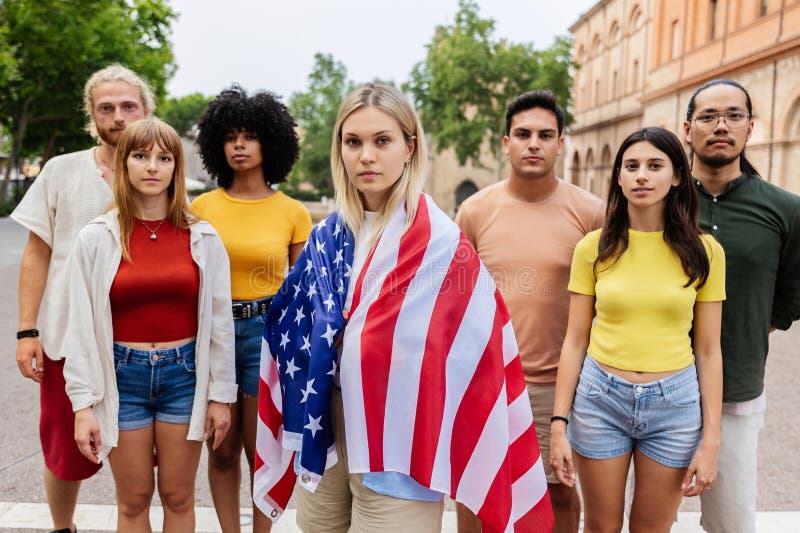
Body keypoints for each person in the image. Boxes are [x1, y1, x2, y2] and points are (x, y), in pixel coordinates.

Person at [253, 83, 553, 533]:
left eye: (382, 141)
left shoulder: (441, 243)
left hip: (400, 436)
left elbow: (483, 339)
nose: (366, 156)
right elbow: (288, 326)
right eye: (353, 142)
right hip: (324, 427)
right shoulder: (325, 236)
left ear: (410, 147)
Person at [63, 118, 237, 531]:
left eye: (164, 157)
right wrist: (82, 406)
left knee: (178, 498)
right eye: (140, 156)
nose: (152, 166)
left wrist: (220, 397)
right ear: (123, 164)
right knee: (133, 499)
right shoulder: (96, 238)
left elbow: (220, 324)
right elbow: (81, 328)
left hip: (184, 377)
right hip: (123, 377)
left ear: (177, 166)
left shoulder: (204, 238)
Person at [550, 127, 725, 531]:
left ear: (677, 176)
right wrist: (559, 425)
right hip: (600, 400)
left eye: (654, 165)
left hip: (675, 406)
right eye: (631, 166)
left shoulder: (706, 252)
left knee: (651, 528)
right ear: (619, 177)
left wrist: (710, 440)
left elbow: (710, 350)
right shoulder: (593, 248)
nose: (641, 176)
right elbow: (575, 340)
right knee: (601, 527)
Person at [11, 64, 152, 533]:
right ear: (92, 117)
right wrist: (27, 330)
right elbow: (37, 253)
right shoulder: (62, 170)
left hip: (141, 341)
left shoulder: (160, 173)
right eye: (105, 108)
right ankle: (62, 527)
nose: (117, 116)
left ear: (146, 110)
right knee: (63, 447)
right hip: (67, 334)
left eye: (128, 106)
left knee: (134, 453)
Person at [455, 89, 604, 533]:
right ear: (506, 143)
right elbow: (455, 301)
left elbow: (604, 301)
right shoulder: (476, 211)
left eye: (545, 134)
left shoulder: (591, 212)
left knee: (558, 487)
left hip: (557, 383)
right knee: (477, 487)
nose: (533, 143)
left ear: (562, 143)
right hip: (487, 380)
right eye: (522, 134)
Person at [192, 85, 312, 532]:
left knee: (263, 449)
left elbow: (303, 290)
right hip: (216, 333)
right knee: (221, 448)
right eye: (230, 136)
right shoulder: (199, 208)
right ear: (217, 145)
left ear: (271, 142)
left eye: (250, 136)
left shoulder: (293, 212)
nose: (239, 145)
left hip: (270, 334)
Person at [683, 78, 800, 533]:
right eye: (709, 117)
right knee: (646, 516)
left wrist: (749, 329)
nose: (721, 126)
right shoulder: (660, 201)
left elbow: (792, 291)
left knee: (730, 523)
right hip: (652, 384)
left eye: (733, 116)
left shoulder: (784, 209)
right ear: (688, 127)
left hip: (736, 386)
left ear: (750, 127)